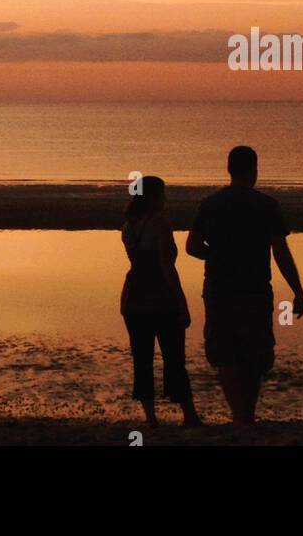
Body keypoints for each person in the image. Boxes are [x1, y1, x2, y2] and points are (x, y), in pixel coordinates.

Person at [185, 145, 303, 428]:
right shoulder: (267, 205)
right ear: (254, 170)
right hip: (254, 288)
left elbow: (191, 247)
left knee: (224, 351)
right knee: (255, 351)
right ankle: (247, 414)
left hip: (218, 287)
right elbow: (281, 252)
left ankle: (238, 414)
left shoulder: (210, 204)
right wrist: (298, 291)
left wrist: (216, 255)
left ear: (229, 169)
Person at [119, 175, 201, 427]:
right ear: (154, 197)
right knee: (174, 357)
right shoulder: (161, 224)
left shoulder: (128, 226)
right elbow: (167, 268)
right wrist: (182, 303)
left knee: (142, 358)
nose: (166, 198)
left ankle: (151, 418)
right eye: (163, 194)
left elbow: (139, 263)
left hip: (133, 296)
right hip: (160, 296)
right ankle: (189, 415)